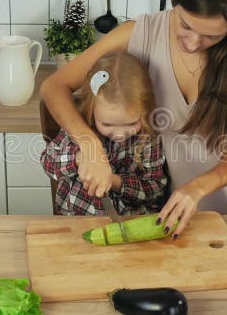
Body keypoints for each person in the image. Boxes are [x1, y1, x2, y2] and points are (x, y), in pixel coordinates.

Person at [40, 0, 227, 238]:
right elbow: (54, 87)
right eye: (185, 25)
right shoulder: (140, 34)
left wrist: (198, 187)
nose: (192, 43)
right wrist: (89, 143)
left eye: (212, 37)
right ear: (175, 4)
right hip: (169, 212)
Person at [40, 52, 168, 216]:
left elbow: (156, 190)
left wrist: (115, 181)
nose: (120, 134)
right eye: (107, 124)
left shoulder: (148, 139)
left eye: (131, 123)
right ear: (91, 110)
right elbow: (48, 163)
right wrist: (79, 158)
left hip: (130, 222)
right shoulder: (78, 129)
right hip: (77, 222)